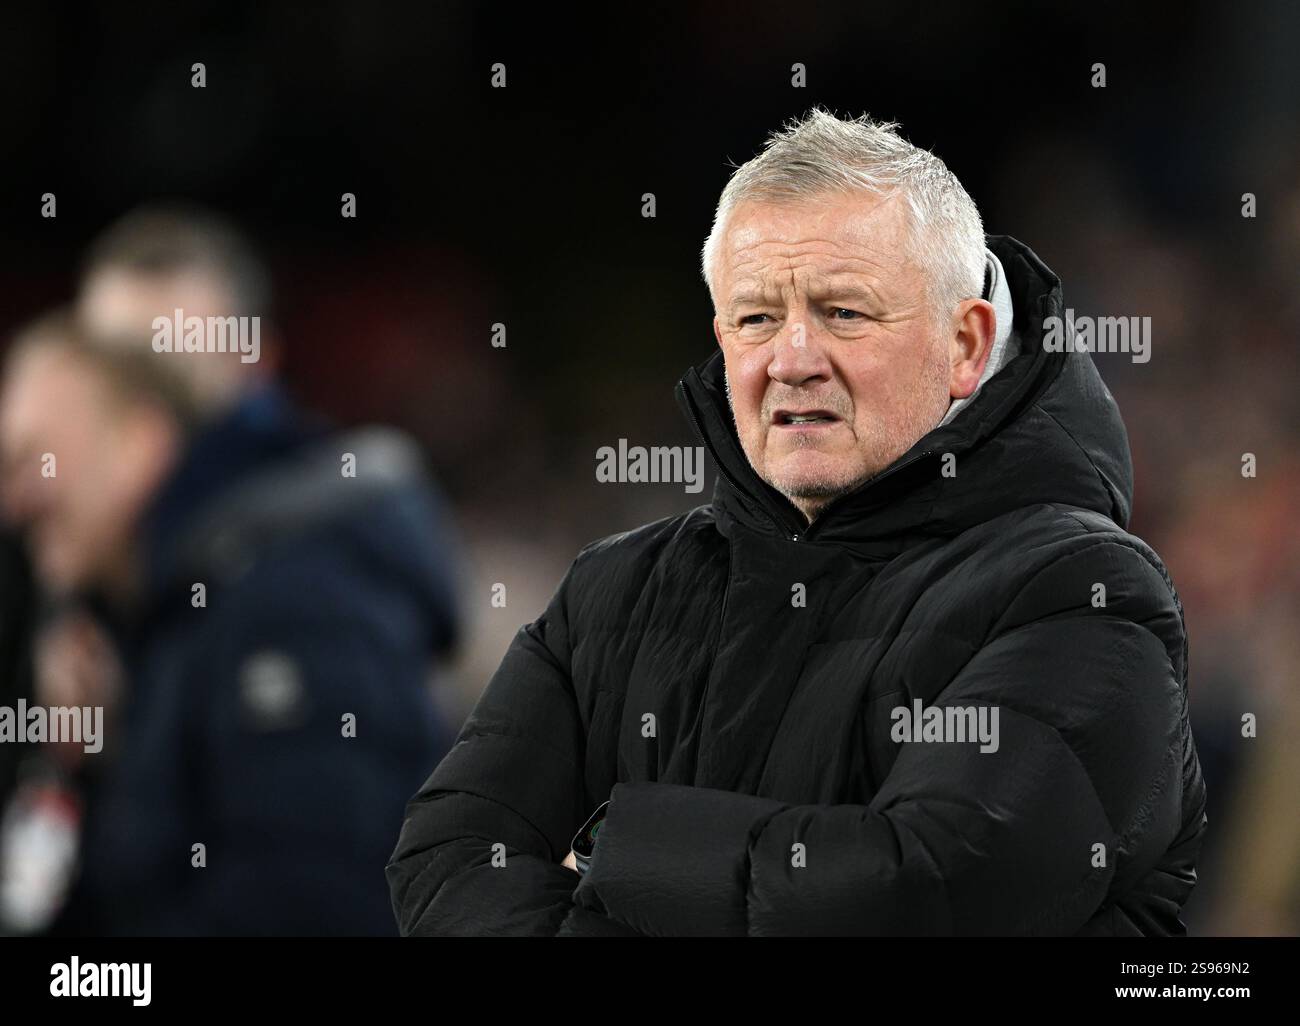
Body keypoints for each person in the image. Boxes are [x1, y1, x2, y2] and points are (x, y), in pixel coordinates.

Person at [386, 109, 1207, 936]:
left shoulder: (1082, 591)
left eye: (844, 312)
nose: (792, 357)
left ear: (965, 343)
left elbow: (917, 890)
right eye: (755, 319)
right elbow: (443, 867)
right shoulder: (611, 592)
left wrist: (616, 844)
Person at [0, 207, 463, 935]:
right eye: (110, 363)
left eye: (163, 358)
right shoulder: (135, 593)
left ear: (256, 362)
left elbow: (316, 898)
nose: (140, 392)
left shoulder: (302, 584)